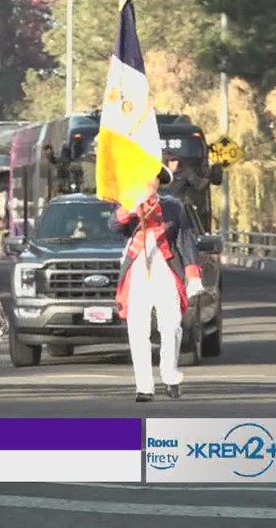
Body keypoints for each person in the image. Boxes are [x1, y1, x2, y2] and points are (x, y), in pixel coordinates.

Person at [108, 166, 204, 402]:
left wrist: (193, 276)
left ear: (158, 182)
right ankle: (144, 387)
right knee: (138, 331)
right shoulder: (129, 205)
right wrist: (131, 207)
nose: (148, 183)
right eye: (144, 178)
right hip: (138, 272)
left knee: (171, 327)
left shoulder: (173, 206)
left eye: (152, 179)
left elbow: (185, 241)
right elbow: (114, 225)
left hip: (165, 272)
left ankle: (170, 377)